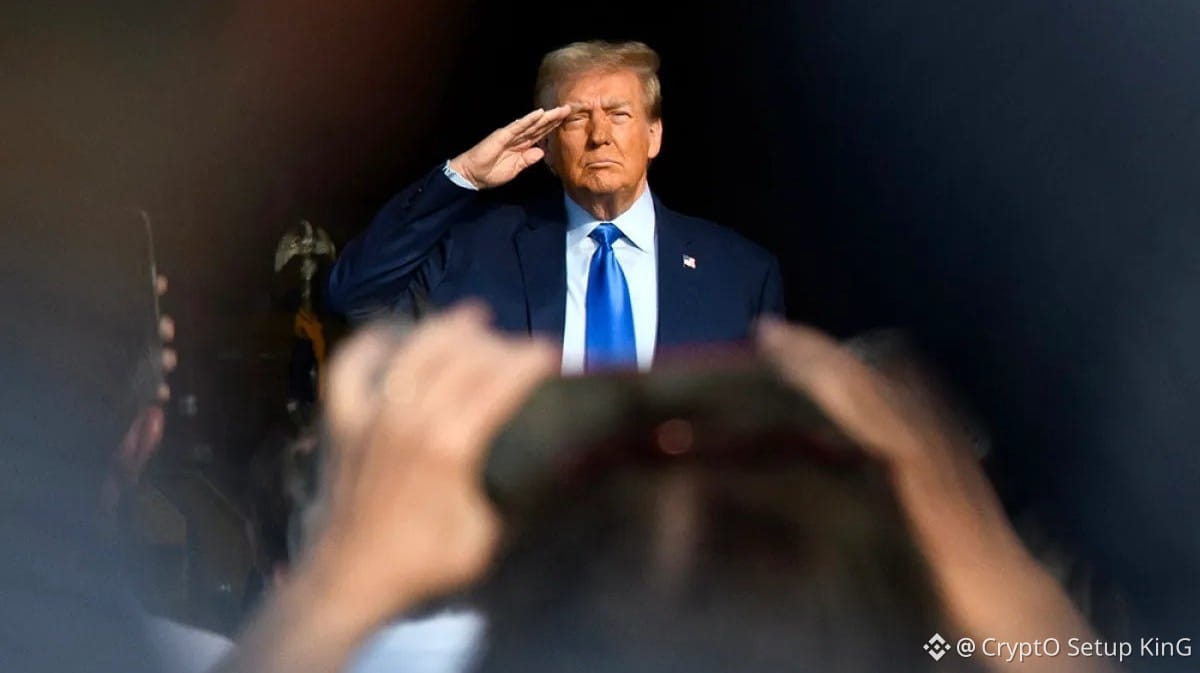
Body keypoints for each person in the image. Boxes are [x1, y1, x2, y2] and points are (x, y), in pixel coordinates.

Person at [326, 40, 785, 373]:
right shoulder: (478, 252)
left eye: (619, 114)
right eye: (577, 118)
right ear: (545, 145)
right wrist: (462, 175)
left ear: (654, 135)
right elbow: (357, 297)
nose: (599, 135)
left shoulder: (741, 274)